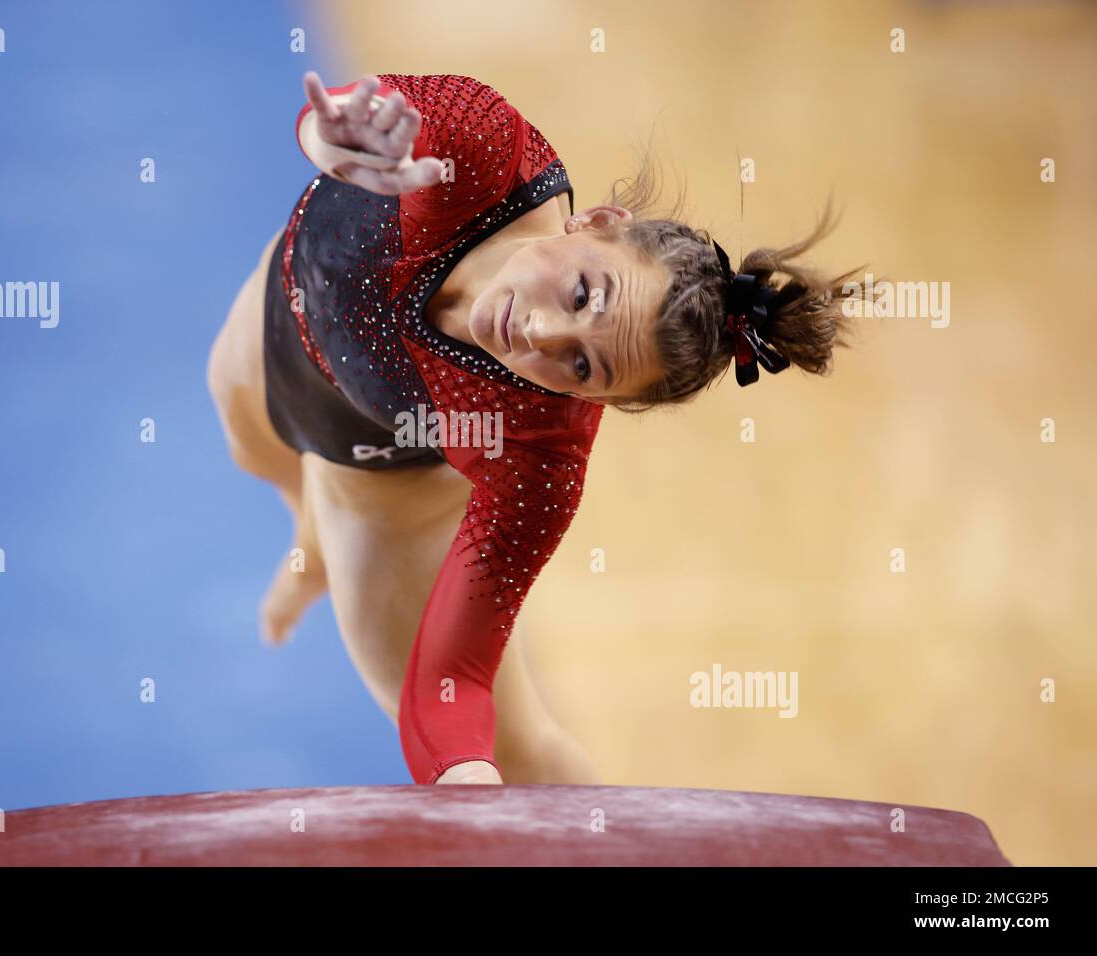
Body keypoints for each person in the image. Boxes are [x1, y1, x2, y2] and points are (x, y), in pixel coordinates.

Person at [207, 72, 860, 785]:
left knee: (518, 755)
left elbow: (452, 680)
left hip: (381, 482)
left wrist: (469, 783)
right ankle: (309, 536)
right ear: (598, 223)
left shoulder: (537, 452)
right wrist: (334, 137)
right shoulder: (487, 157)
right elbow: (368, 116)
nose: (540, 334)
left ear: (597, 401)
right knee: (251, 447)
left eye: (582, 365)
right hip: (277, 321)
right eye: (584, 293)